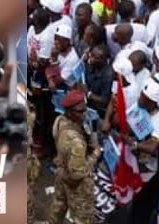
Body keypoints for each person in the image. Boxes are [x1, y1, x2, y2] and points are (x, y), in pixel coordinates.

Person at [50, 89, 97, 224]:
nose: (84, 114)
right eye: (80, 111)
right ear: (69, 111)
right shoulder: (76, 142)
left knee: (59, 205)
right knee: (83, 217)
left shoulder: (60, 120)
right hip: (75, 184)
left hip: (61, 171)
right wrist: (94, 155)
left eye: (85, 109)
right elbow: (77, 173)